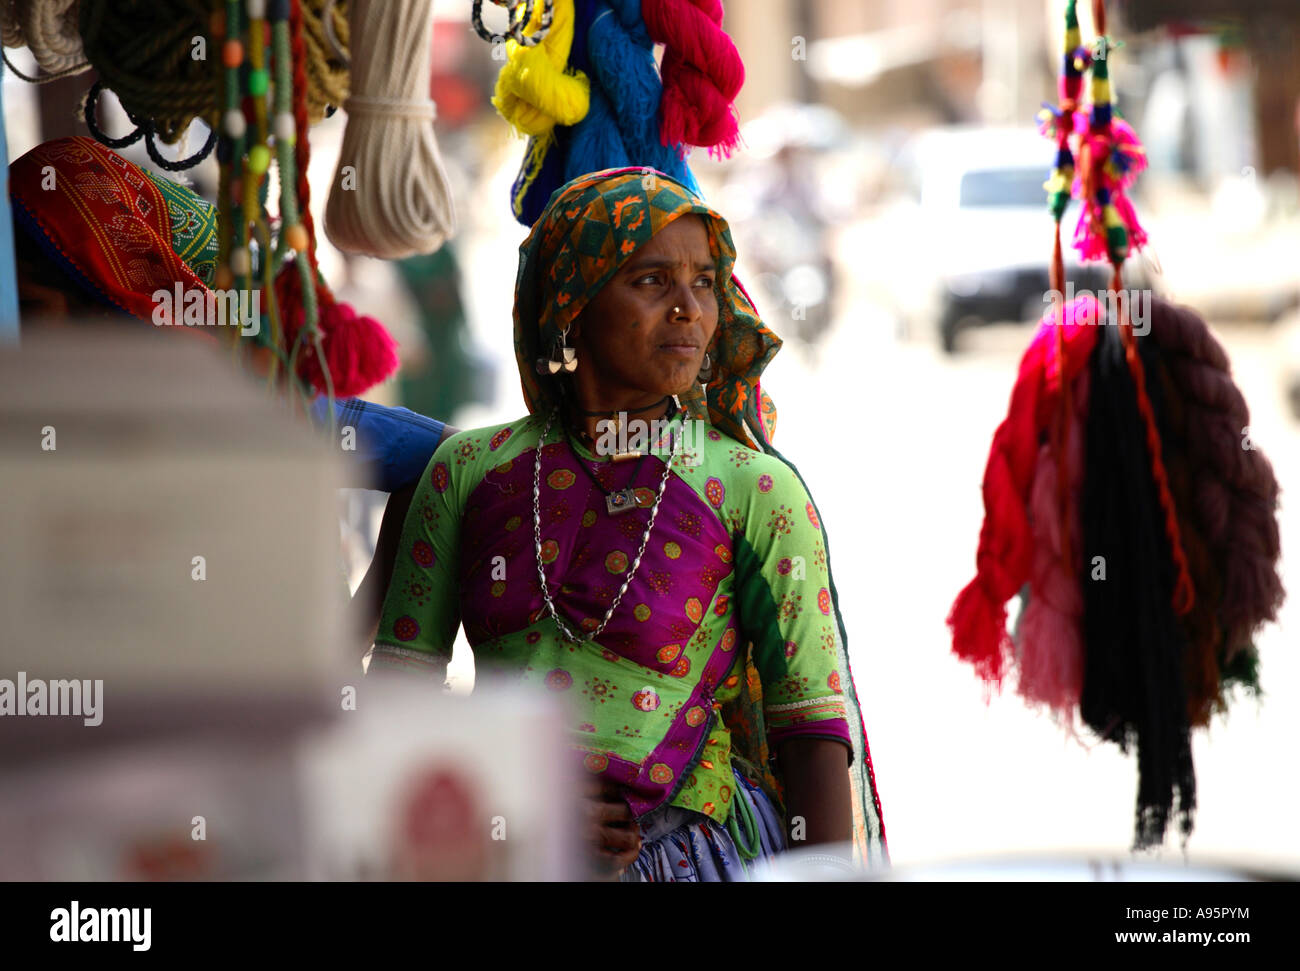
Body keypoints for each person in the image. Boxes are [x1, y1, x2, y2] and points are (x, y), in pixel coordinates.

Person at [370, 167, 887, 881]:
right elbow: (395, 707)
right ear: (571, 302)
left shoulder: (756, 488)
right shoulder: (467, 471)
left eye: (704, 282)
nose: (689, 308)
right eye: (650, 280)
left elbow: (811, 735)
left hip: (690, 858)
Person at [7, 135, 453, 645]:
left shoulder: (225, 398)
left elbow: (443, 459)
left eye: (33, 305)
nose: (19, 330)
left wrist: (362, 636)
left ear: (104, 302)